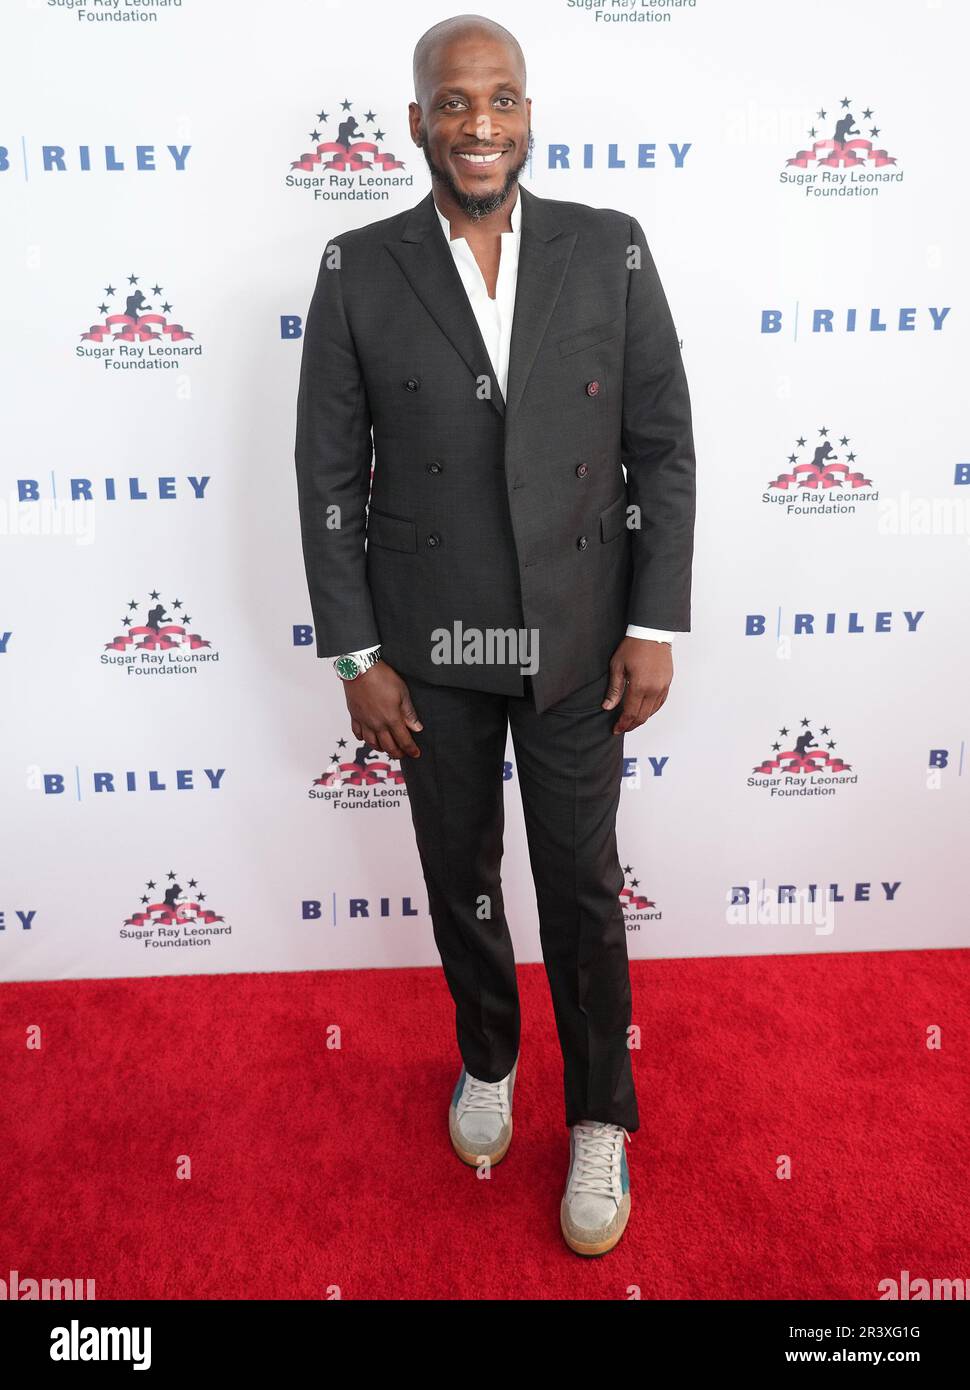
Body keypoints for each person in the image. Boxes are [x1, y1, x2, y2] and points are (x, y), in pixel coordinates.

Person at [294, 13, 696, 1256]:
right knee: (462, 879)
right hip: (434, 649)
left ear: (530, 114)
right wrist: (359, 657)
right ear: (415, 120)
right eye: (455, 102)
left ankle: (598, 1120)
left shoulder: (609, 248)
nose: (481, 123)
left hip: (580, 641)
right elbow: (327, 475)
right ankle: (487, 1059)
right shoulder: (357, 265)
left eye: (503, 99)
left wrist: (651, 623)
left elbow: (661, 447)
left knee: (581, 887)